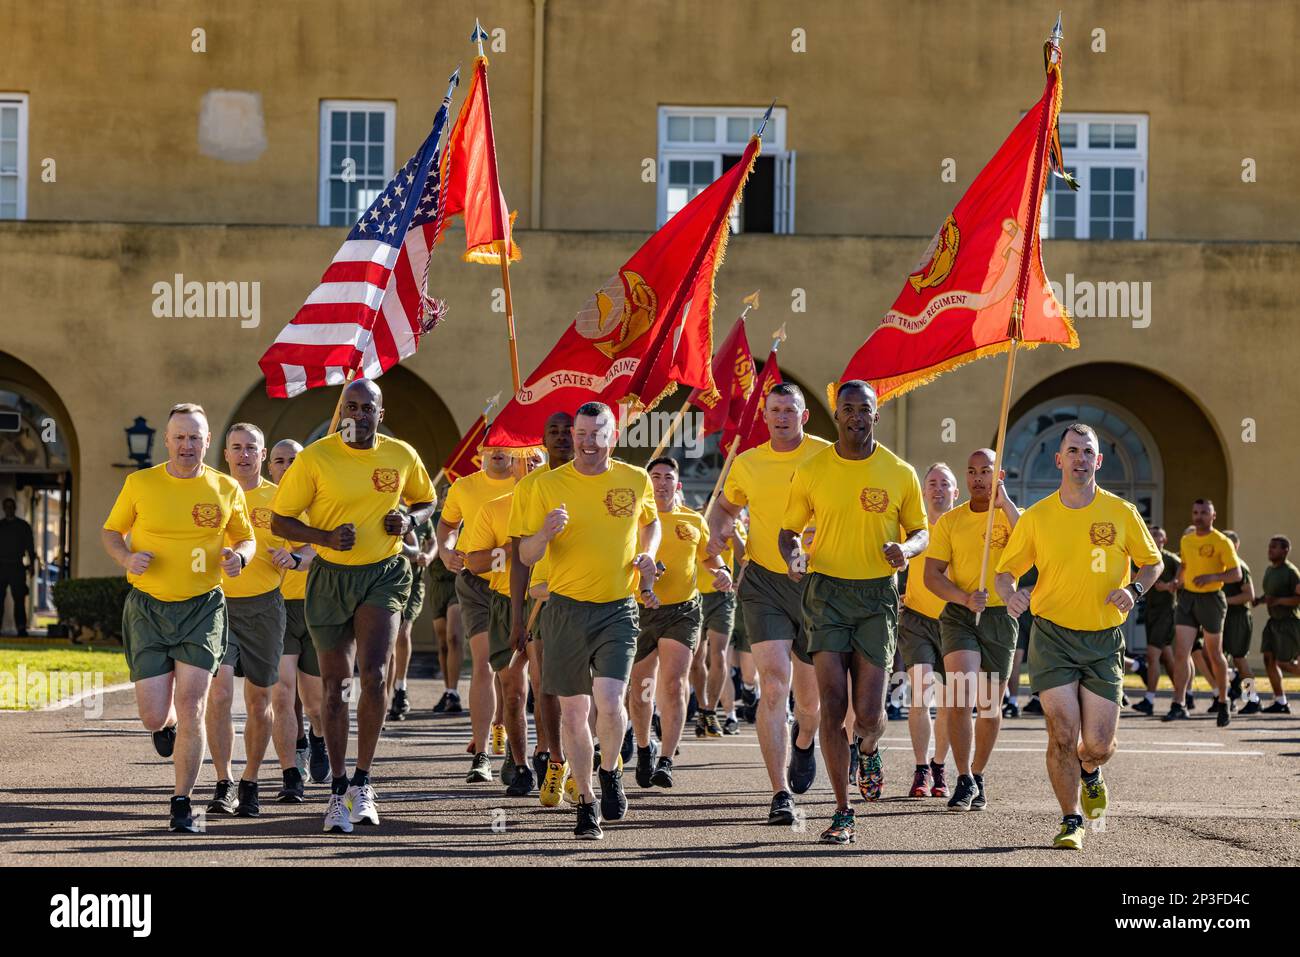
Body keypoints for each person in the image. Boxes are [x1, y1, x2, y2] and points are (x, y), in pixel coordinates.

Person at [271, 379, 436, 833]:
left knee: (375, 674)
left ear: (380, 414)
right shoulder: (316, 457)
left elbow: (426, 499)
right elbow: (280, 518)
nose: (358, 415)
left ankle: (364, 781)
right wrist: (323, 538)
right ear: (341, 409)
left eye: (368, 408)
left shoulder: (400, 455)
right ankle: (338, 789)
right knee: (335, 684)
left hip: (383, 573)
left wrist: (409, 519)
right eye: (352, 406)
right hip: (330, 578)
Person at [994, 423, 1161, 851]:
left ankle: (1091, 770)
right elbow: (1004, 573)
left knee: (1099, 745)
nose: (1081, 459)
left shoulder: (1122, 513)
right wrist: (1011, 596)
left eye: (1088, 452)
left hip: (1104, 640)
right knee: (1063, 734)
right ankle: (1071, 820)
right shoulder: (1037, 517)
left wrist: (1133, 589)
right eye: (1073, 451)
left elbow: (1151, 564)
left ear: (1098, 461)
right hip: (1052, 638)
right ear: (1059, 459)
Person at [779, 380, 926, 844]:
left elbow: (922, 531)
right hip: (826, 595)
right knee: (831, 705)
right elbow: (788, 531)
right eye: (848, 408)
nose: (856, 416)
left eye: (865, 409)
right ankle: (842, 810)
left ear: (875, 416)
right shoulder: (813, 469)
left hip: (876, 597)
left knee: (866, 712)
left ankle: (870, 744)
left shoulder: (899, 472)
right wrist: (793, 555)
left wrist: (906, 548)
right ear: (836, 414)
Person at [101, 402, 256, 832]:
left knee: (194, 704)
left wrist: (239, 558)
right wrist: (126, 557)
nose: (187, 445)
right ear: (167, 441)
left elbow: (246, 538)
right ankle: (162, 725)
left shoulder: (225, 488)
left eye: (195, 438)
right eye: (180, 437)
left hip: (202, 608)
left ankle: (182, 802)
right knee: (156, 715)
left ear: (208, 442)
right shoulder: (140, 483)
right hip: (148, 607)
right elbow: (111, 531)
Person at [518, 402, 660, 839]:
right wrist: (544, 533)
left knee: (612, 702)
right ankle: (587, 800)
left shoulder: (635, 479)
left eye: (598, 432)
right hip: (564, 610)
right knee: (575, 710)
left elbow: (651, 524)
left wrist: (648, 555)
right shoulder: (546, 485)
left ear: (612, 436)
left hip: (617, 608)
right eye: (581, 433)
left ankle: (611, 767)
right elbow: (525, 555)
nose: (587, 441)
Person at [709, 382, 831, 826]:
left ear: (804, 415)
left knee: (811, 700)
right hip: (763, 582)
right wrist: (717, 533)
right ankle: (780, 793)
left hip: (816, 583)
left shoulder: (827, 456)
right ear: (765, 416)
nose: (782, 416)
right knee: (775, 683)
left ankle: (804, 741)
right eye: (775, 409)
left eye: (790, 409)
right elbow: (722, 509)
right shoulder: (747, 462)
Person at [206, 423, 300, 816]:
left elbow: (310, 551)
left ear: (263, 456)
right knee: (221, 693)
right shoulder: (209, 493)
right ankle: (223, 782)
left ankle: (251, 780)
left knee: (261, 698)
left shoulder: (282, 499)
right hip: (216, 607)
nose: (244, 455)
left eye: (252, 449)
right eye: (237, 448)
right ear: (226, 454)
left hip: (265, 607)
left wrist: (294, 558)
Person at [925, 449, 1021, 812]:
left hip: (1000, 617)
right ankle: (963, 777)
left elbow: (1032, 545)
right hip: (961, 614)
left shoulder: (1015, 517)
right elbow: (931, 575)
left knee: (989, 706)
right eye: (972, 471)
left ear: (1000, 474)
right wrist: (964, 598)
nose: (978, 477)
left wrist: (1005, 501)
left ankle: (979, 772)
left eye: (986, 471)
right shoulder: (951, 521)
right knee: (960, 695)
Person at [631, 457, 731, 788]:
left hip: (682, 612)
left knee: (674, 683)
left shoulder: (692, 520)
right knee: (642, 688)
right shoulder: (635, 520)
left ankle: (666, 759)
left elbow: (709, 558)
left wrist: (722, 573)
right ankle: (644, 746)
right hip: (640, 610)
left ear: (678, 484)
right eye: (655, 476)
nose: (661, 482)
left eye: (667, 477)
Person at [461, 451, 544, 796]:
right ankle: (519, 761)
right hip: (503, 603)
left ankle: (548, 758)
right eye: (526, 460)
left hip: (546, 602)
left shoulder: (560, 506)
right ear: (513, 466)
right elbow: (475, 562)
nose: (533, 465)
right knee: (513, 691)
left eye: (539, 459)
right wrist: (514, 549)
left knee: (545, 690)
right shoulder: (494, 508)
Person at [437, 447, 517, 782]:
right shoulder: (464, 486)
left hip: (517, 581)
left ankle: (516, 748)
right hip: (476, 581)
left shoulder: (527, 484)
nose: (499, 452)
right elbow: (446, 525)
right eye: (492, 445)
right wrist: (445, 551)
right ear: (481, 451)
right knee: (483, 662)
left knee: (512, 667)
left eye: (506, 446)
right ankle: (482, 753)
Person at [508, 412, 575, 805]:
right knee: (545, 684)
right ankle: (555, 762)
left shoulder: (597, 478)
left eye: (570, 431)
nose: (563, 437)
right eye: (554, 431)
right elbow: (520, 557)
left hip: (593, 597)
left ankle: (603, 761)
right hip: (543, 600)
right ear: (543, 439)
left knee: (591, 690)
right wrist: (517, 616)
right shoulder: (530, 487)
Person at [267, 439, 327, 784]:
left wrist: (298, 558)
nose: (287, 466)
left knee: (316, 701)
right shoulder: (262, 503)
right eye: (279, 460)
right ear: (270, 467)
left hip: (314, 607)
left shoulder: (319, 505)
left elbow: (324, 552)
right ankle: (295, 755)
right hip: (275, 609)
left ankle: (318, 735)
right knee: (283, 692)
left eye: (294, 460)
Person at [899, 463, 958, 798]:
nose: (938, 489)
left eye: (944, 484)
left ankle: (939, 765)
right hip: (917, 619)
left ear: (955, 492)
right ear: (923, 491)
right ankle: (921, 767)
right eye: (932, 483)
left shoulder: (963, 525)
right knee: (920, 693)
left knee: (950, 703)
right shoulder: (912, 526)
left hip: (953, 621)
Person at [1166, 500, 1241, 726]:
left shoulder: (1221, 541)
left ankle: (1223, 700)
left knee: (1214, 654)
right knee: (1181, 653)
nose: (1199, 516)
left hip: (1211, 599)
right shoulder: (1187, 539)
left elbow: (1236, 574)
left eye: (1204, 513)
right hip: (1187, 598)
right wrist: (1178, 579)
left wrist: (1211, 577)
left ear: (1213, 515)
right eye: (1196, 512)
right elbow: (1185, 564)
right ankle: (1178, 703)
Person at [699, 510, 747, 736]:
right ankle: (701, 705)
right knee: (695, 659)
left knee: (719, 655)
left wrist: (734, 533)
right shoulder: (697, 520)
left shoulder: (734, 526)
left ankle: (712, 712)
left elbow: (742, 557)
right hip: (694, 596)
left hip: (723, 597)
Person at [386, 508, 436, 722]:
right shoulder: (379, 509)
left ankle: (401, 686)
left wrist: (428, 556)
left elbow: (431, 542)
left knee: (403, 632)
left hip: (413, 583)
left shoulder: (415, 515)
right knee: (387, 643)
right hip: (387, 583)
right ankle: (385, 700)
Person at [1133, 526, 1179, 716]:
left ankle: (1149, 700)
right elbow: (1135, 578)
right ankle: (1185, 695)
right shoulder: (1145, 558)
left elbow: (1183, 580)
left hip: (1166, 613)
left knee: (1153, 657)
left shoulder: (1171, 560)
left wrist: (1168, 586)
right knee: (1168, 658)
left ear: (1165, 539)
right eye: (1151, 534)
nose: (1154, 537)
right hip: (1151, 612)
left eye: (1158, 534)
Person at [1255, 535, 1300, 713]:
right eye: (1270, 546)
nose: (1270, 550)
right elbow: (1270, 596)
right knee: (1268, 659)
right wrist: (1259, 600)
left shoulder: (1290, 572)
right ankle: (1281, 702)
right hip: (1273, 622)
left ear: (1285, 550)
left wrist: (1279, 601)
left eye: (1275, 547)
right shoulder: (1269, 570)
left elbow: (1298, 598)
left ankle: (1270, 700)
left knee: (1284, 662)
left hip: (1288, 623)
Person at [426, 511, 464, 715]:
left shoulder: (467, 521)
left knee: (454, 636)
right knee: (442, 642)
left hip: (458, 583)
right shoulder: (434, 521)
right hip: (437, 584)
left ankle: (455, 691)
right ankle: (448, 690)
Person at [1219, 530, 1259, 713]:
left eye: (1227, 543)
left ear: (1235, 545)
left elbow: (1249, 595)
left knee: (1239, 659)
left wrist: (1224, 601)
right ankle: (1232, 686)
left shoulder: (1240, 566)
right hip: (1224, 616)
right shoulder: (1222, 565)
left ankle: (1253, 699)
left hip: (1239, 617)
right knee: (1219, 657)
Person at [0, 497, 36, 636]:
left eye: (11, 506)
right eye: (6, 506)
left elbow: (30, 546)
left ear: (14, 508)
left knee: (19, 599)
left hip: (17, 566)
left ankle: (21, 627)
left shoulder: (23, 526)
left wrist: (31, 564)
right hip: (1, 566)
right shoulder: (1, 526)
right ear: (4, 508)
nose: (9, 509)